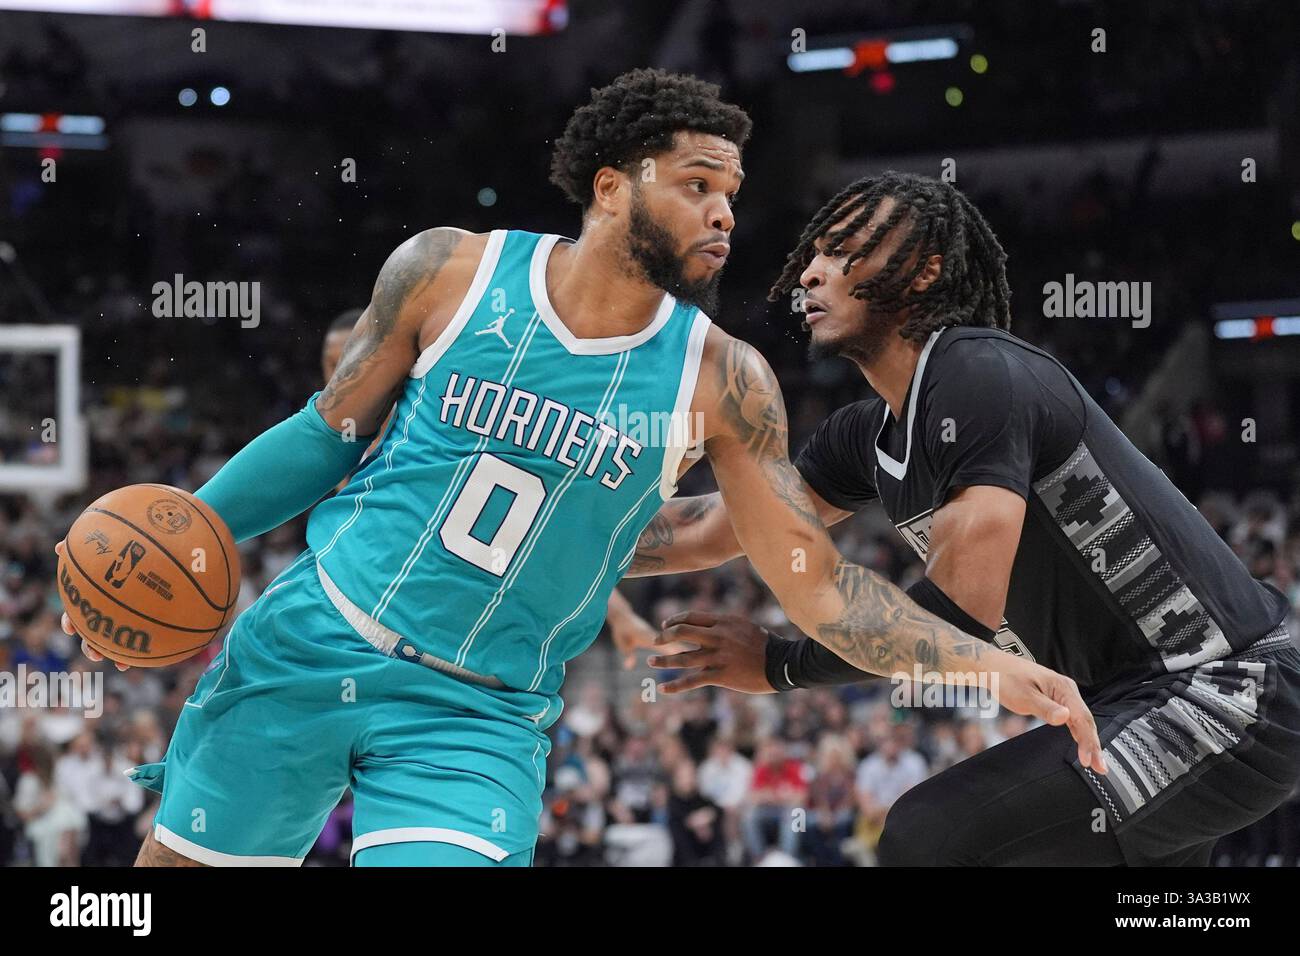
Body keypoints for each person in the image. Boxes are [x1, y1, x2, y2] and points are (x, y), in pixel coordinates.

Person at [60, 79, 1099, 867]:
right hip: (311, 637)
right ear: (612, 186)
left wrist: (980, 662)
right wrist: (178, 527)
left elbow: (817, 585)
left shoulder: (724, 382)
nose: (724, 213)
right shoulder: (449, 269)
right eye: (697, 185)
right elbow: (325, 433)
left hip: (473, 718)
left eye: (731, 194)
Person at [626, 170, 1300, 865]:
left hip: (1227, 691)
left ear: (924, 273)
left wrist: (781, 664)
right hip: (1130, 706)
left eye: (845, 250)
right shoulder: (865, 436)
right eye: (814, 255)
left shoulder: (975, 374)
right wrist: (571, 530)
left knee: (929, 835)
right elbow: (720, 526)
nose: (814, 273)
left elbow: (959, 612)